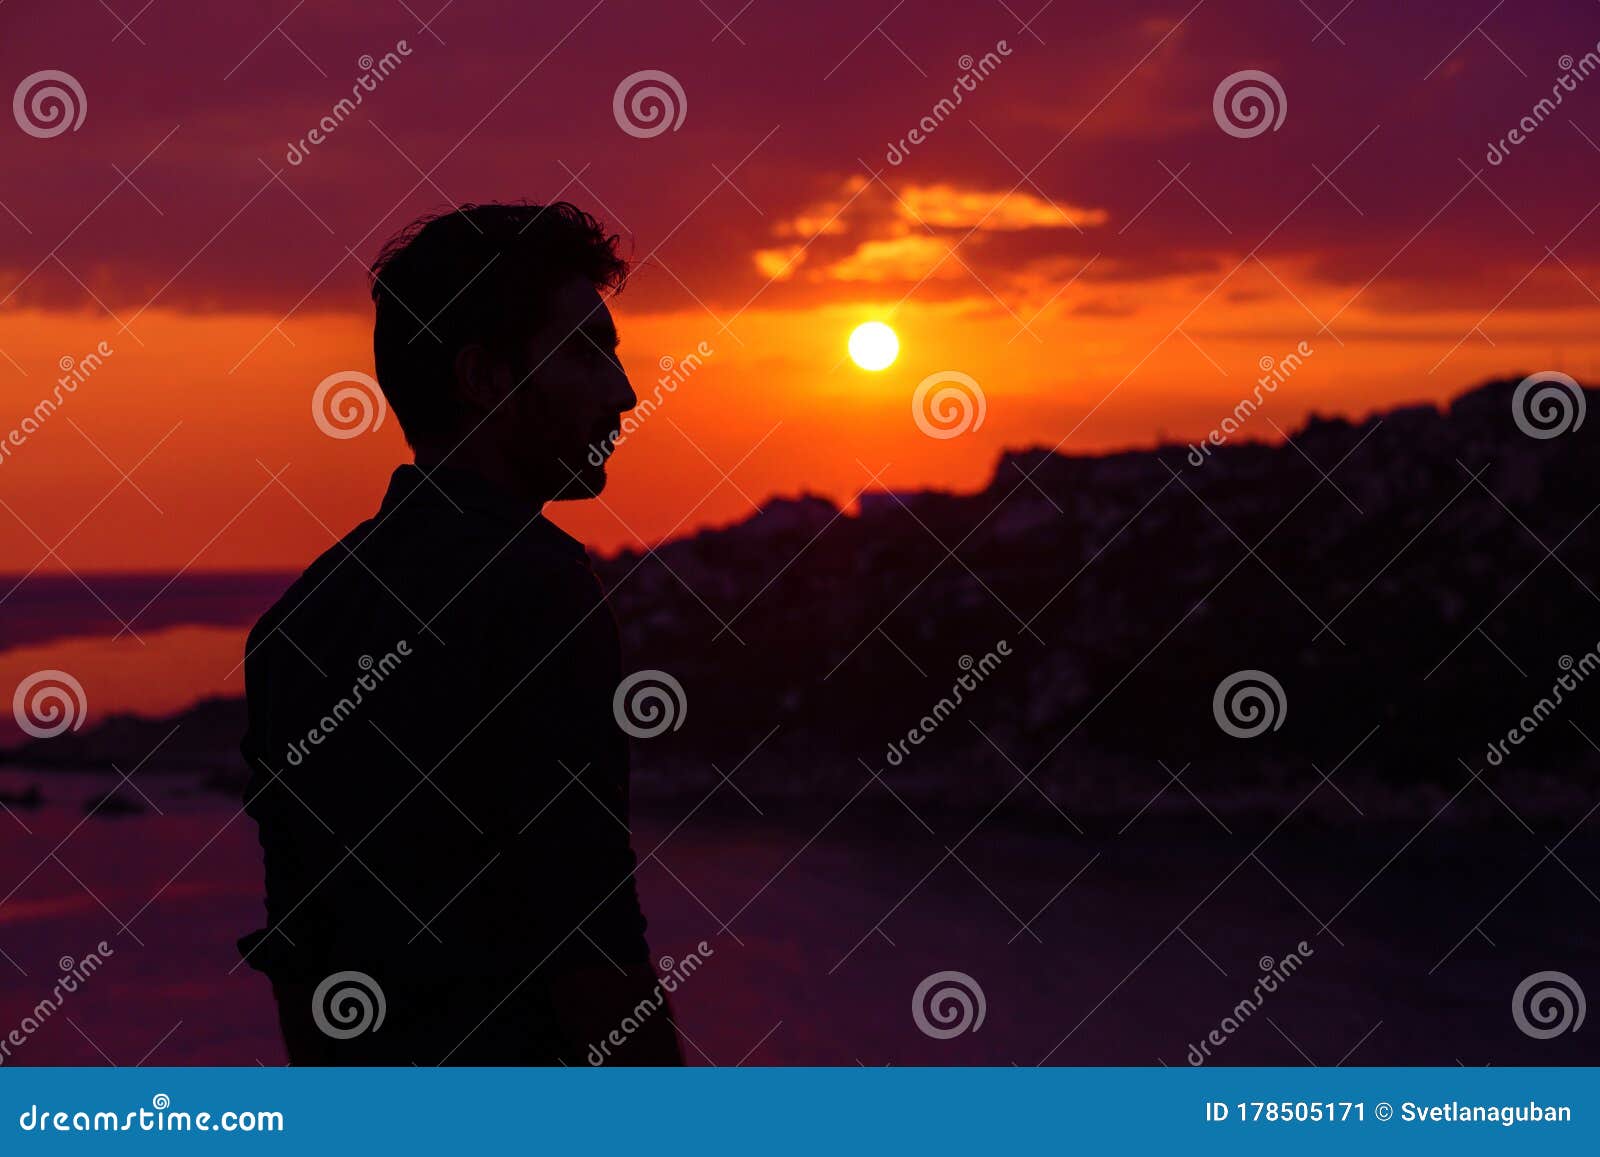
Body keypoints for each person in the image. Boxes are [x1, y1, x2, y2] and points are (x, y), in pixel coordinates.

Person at [237, 202, 682, 1065]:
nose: (624, 393)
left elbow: (299, 963)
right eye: (587, 351)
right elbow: (592, 946)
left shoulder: (291, 627)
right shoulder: (538, 589)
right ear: (484, 378)